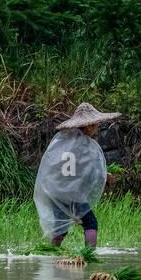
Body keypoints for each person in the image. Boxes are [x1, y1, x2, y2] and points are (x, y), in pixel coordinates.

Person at [34, 103, 120, 248]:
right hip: (74, 195)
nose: (96, 129)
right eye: (95, 125)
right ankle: (90, 253)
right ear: (89, 127)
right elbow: (89, 170)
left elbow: (52, 167)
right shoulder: (87, 145)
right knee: (91, 222)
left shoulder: (63, 141)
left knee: (60, 229)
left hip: (57, 194)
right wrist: (104, 176)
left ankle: (52, 252)